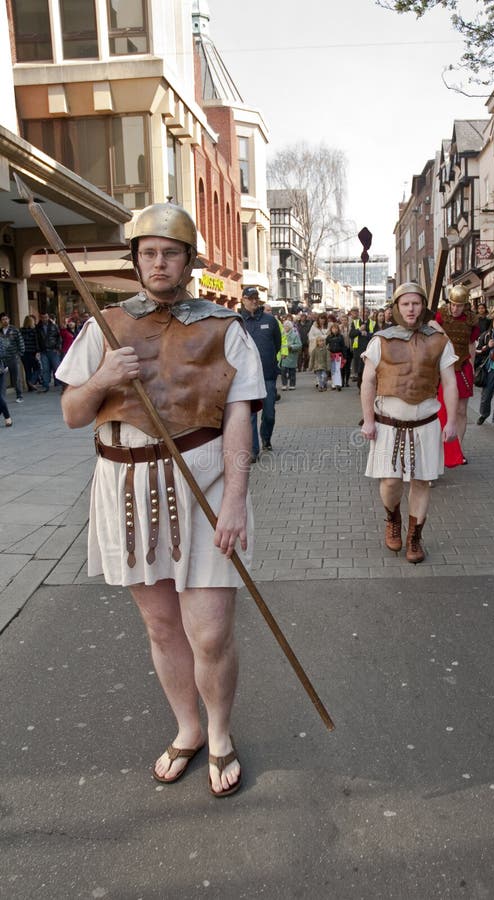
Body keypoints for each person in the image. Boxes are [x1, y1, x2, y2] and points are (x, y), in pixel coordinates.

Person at [55, 202, 265, 796]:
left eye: (169, 252)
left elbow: (239, 419)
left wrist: (235, 501)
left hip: (202, 488)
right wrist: (102, 380)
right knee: (161, 627)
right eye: (148, 252)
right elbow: (73, 414)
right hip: (124, 486)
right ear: (135, 260)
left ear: (188, 260)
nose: (158, 262)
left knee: (211, 631)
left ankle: (220, 733)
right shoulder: (104, 325)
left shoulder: (225, 328)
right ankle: (188, 728)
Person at [361, 282, 458, 564]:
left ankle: (415, 538)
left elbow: (450, 383)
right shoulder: (380, 340)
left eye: (416, 303)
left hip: (426, 423)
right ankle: (393, 518)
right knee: (391, 482)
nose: (411, 309)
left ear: (423, 306)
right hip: (388, 424)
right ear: (396, 307)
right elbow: (367, 381)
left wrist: (451, 421)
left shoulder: (439, 340)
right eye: (405, 304)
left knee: (421, 482)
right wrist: (368, 420)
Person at [435, 284, 479, 452]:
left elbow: (471, 344)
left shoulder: (471, 320)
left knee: (461, 410)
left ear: (465, 305)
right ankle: (440, 446)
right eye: (452, 304)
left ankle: (458, 448)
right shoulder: (441, 316)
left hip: (462, 366)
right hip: (442, 366)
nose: (455, 308)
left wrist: (472, 366)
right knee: (440, 408)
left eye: (459, 305)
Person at [238, 286, 281, 457]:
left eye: (256, 297)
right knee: (250, 416)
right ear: (243, 300)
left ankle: (266, 438)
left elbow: (277, 343)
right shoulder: (237, 321)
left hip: (268, 375)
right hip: (246, 377)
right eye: (250, 298)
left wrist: (271, 360)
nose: (254, 301)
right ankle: (253, 451)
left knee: (269, 414)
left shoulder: (270, 320)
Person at [0, 312, 25, 402]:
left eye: (6, 319)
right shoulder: (0, 332)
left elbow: (20, 342)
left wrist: (19, 354)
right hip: (3, 358)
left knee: (16, 377)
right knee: (2, 378)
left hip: (14, 357)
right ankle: (2, 397)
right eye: (3, 319)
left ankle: (19, 395)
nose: (5, 321)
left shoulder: (14, 330)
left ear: (9, 319)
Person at [35, 311, 62, 391]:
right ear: (40, 318)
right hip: (43, 350)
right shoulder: (38, 327)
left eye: (46, 317)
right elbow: (37, 339)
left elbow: (59, 337)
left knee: (56, 367)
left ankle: (59, 383)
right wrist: (37, 350)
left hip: (53, 349)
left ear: (48, 317)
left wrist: (58, 348)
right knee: (45, 368)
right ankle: (46, 385)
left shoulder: (54, 326)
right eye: (43, 317)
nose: (45, 319)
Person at [20, 315, 43, 391]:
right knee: (38, 367)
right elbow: (36, 341)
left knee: (27, 370)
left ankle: (30, 387)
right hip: (32, 352)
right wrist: (37, 351)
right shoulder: (34, 331)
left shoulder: (21, 331)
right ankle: (32, 382)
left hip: (24, 353)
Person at [280, 319, 302, 390]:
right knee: (283, 371)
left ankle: (292, 385)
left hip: (292, 356)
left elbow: (299, 345)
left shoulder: (295, 335)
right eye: (285, 326)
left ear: (290, 327)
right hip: (284, 356)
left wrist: (291, 346)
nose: (286, 328)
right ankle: (284, 384)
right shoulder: (281, 334)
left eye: (287, 326)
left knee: (292, 371)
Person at [326, 321, 346, 390]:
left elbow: (343, 346)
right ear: (331, 329)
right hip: (331, 355)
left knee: (338, 370)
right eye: (333, 329)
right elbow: (325, 344)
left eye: (336, 328)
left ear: (338, 329)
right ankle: (333, 383)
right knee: (333, 370)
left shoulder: (341, 337)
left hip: (338, 355)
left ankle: (338, 384)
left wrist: (344, 356)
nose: (335, 330)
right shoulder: (329, 337)